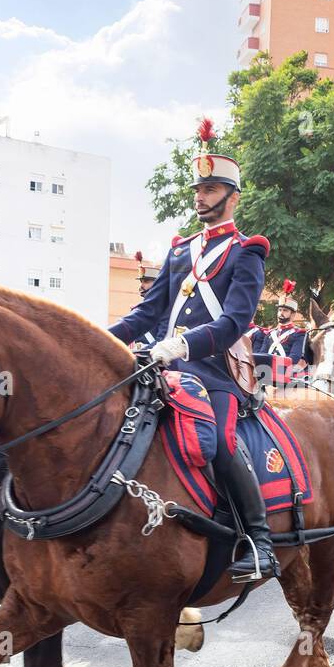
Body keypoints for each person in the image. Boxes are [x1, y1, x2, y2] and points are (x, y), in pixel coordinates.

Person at [108, 117, 276, 581]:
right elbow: (146, 314)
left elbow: (234, 323)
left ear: (232, 196)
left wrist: (181, 343)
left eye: (210, 189)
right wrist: (101, 337)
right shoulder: (181, 250)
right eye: (198, 189)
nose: (200, 197)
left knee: (219, 441)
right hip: (162, 366)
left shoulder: (248, 251)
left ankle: (259, 540)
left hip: (214, 373)